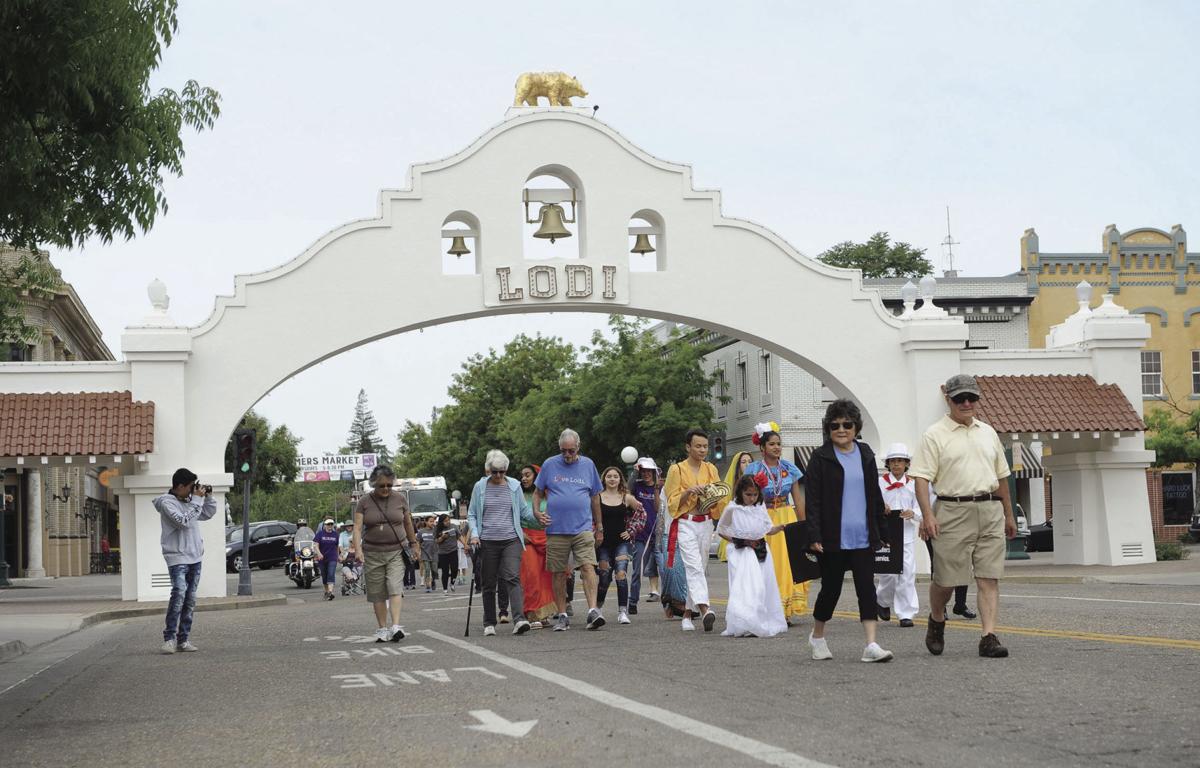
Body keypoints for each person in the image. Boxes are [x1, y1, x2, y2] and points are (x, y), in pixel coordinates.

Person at [911, 374, 1017, 659]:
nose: (967, 403)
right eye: (960, 399)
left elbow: (1002, 477)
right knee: (947, 580)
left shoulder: (988, 432)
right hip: (952, 510)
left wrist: (1009, 515)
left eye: (972, 398)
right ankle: (936, 617)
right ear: (949, 399)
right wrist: (928, 515)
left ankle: (989, 636)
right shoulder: (934, 434)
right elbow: (921, 479)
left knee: (988, 578)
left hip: (990, 508)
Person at [805, 399, 894, 663]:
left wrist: (883, 531)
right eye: (835, 425)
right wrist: (814, 535)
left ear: (856, 427)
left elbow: (874, 493)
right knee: (830, 590)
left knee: (867, 589)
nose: (841, 429)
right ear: (828, 429)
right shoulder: (820, 457)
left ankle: (871, 645)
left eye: (847, 424)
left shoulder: (865, 453)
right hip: (832, 538)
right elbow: (813, 500)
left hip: (863, 536)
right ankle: (818, 636)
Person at [533, 428, 606, 631]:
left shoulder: (588, 464)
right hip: (556, 529)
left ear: (578, 448)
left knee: (588, 566)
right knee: (558, 573)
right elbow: (538, 493)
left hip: (582, 527)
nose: (566, 455)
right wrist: (537, 513)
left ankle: (592, 611)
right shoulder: (549, 464)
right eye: (563, 451)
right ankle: (563, 614)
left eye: (571, 451)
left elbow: (595, 497)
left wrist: (599, 526)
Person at [467, 450, 538, 637]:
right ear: (488, 470)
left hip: (511, 539)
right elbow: (472, 514)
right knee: (489, 583)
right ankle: (489, 622)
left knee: (512, 577)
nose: (498, 475)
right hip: (487, 540)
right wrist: (474, 534)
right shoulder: (479, 487)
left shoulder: (514, 485)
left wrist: (539, 519)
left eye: (502, 471)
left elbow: (523, 512)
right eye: (494, 471)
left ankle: (519, 619)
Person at [744, 425, 809, 624]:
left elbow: (798, 499)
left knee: (788, 564)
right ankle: (766, 608)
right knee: (765, 563)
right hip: (762, 517)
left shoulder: (789, 468)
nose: (776, 447)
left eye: (779, 444)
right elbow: (746, 499)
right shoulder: (753, 469)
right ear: (762, 447)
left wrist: (804, 525)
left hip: (786, 517)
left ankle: (785, 610)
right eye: (772, 444)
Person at [349, 465, 418, 643]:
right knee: (377, 592)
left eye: (389, 485)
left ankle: (396, 626)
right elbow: (357, 528)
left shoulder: (400, 499)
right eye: (382, 486)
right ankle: (382, 628)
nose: (386, 488)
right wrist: (357, 550)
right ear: (374, 485)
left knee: (395, 586)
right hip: (372, 552)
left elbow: (408, 524)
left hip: (396, 550)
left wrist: (414, 544)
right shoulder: (364, 501)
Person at [154, 468, 217, 654]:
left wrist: (209, 497)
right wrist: (196, 500)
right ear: (180, 486)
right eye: (190, 487)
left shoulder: (191, 501)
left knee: (189, 600)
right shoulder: (167, 504)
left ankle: (183, 640)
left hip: (195, 556)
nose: (192, 491)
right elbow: (183, 521)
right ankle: (169, 639)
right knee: (179, 594)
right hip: (177, 557)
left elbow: (207, 514)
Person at [664, 428, 720, 632]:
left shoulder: (711, 469)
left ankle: (687, 614)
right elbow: (671, 501)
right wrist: (688, 492)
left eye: (705, 446)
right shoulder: (676, 470)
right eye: (698, 446)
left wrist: (709, 494)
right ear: (688, 447)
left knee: (699, 568)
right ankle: (705, 609)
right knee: (694, 566)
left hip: (705, 522)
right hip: (686, 522)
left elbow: (717, 496)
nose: (702, 450)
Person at [717, 474, 787, 638]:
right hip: (742, 553)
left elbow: (767, 528)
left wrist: (779, 528)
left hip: (760, 551)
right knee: (745, 588)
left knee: (761, 586)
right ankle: (744, 622)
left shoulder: (760, 506)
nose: (752, 498)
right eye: (748, 494)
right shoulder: (733, 508)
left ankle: (759, 620)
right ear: (740, 492)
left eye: (755, 494)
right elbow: (721, 529)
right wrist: (737, 540)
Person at [876, 444, 922, 627]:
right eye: (893, 461)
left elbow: (922, 506)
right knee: (888, 573)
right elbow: (871, 504)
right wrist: (881, 508)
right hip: (886, 535)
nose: (896, 465)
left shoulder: (913, 484)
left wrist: (914, 513)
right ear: (888, 464)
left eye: (900, 461)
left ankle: (906, 613)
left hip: (906, 534)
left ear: (906, 464)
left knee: (907, 573)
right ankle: (882, 601)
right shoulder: (879, 483)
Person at [596, 466, 645, 625]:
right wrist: (595, 532)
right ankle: (597, 608)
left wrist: (631, 531)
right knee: (604, 576)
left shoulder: (627, 498)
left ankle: (622, 611)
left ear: (620, 479)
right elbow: (590, 517)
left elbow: (642, 514)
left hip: (622, 543)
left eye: (615, 476)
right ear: (604, 479)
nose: (612, 479)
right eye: (609, 476)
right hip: (603, 543)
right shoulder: (597, 497)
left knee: (621, 574)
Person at [518, 464, 557, 628]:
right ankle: (532, 613)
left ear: (537, 477)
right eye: (522, 476)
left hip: (547, 539)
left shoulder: (550, 495)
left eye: (527, 475)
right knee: (531, 575)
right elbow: (511, 515)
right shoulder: (518, 495)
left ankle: (544, 613)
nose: (524, 478)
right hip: (526, 539)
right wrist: (520, 533)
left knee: (547, 578)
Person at [628, 457, 661, 611]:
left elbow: (658, 508)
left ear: (654, 472)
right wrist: (634, 473)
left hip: (658, 534)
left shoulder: (659, 488)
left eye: (649, 471)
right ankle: (632, 601)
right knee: (637, 569)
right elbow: (627, 490)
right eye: (644, 471)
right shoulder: (637, 487)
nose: (646, 474)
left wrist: (657, 488)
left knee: (664, 568)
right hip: (641, 535)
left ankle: (670, 601)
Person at [717, 451, 755, 562]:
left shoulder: (757, 482)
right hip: (738, 529)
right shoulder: (733, 486)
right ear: (738, 465)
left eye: (750, 461)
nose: (747, 464)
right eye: (743, 462)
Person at [313, 518, 341, 601]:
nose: (330, 526)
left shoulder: (335, 534)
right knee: (324, 576)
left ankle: (330, 592)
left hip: (332, 557)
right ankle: (326, 591)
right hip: (322, 558)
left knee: (331, 573)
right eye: (328, 524)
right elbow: (316, 545)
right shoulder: (320, 534)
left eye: (331, 524)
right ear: (324, 525)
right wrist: (319, 553)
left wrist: (338, 555)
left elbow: (337, 546)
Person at [435, 515, 460, 594]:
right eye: (445, 521)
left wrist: (465, 544)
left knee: (455, 568)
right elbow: (436, 541)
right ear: (441, 522)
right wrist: (442, 537)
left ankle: (452, 582)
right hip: (443, 553)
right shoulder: (437, 529)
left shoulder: (454, 527)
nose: (447, 522)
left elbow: (459, 536)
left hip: (453, 550)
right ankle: (445, 588)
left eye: (448, 520)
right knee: (445, 571)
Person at [417, 517, 438, 592]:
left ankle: (433, 581)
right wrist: (418, 552)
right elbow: (418, 542)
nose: (432, 523)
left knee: (434, 569)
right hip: (425, 553)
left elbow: (439, 539)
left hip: (434, 553)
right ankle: (428, 586)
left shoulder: (436, 531)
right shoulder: (421, 532)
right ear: (426, 522)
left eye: (433, 521)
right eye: (430, 521)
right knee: (427, 569)